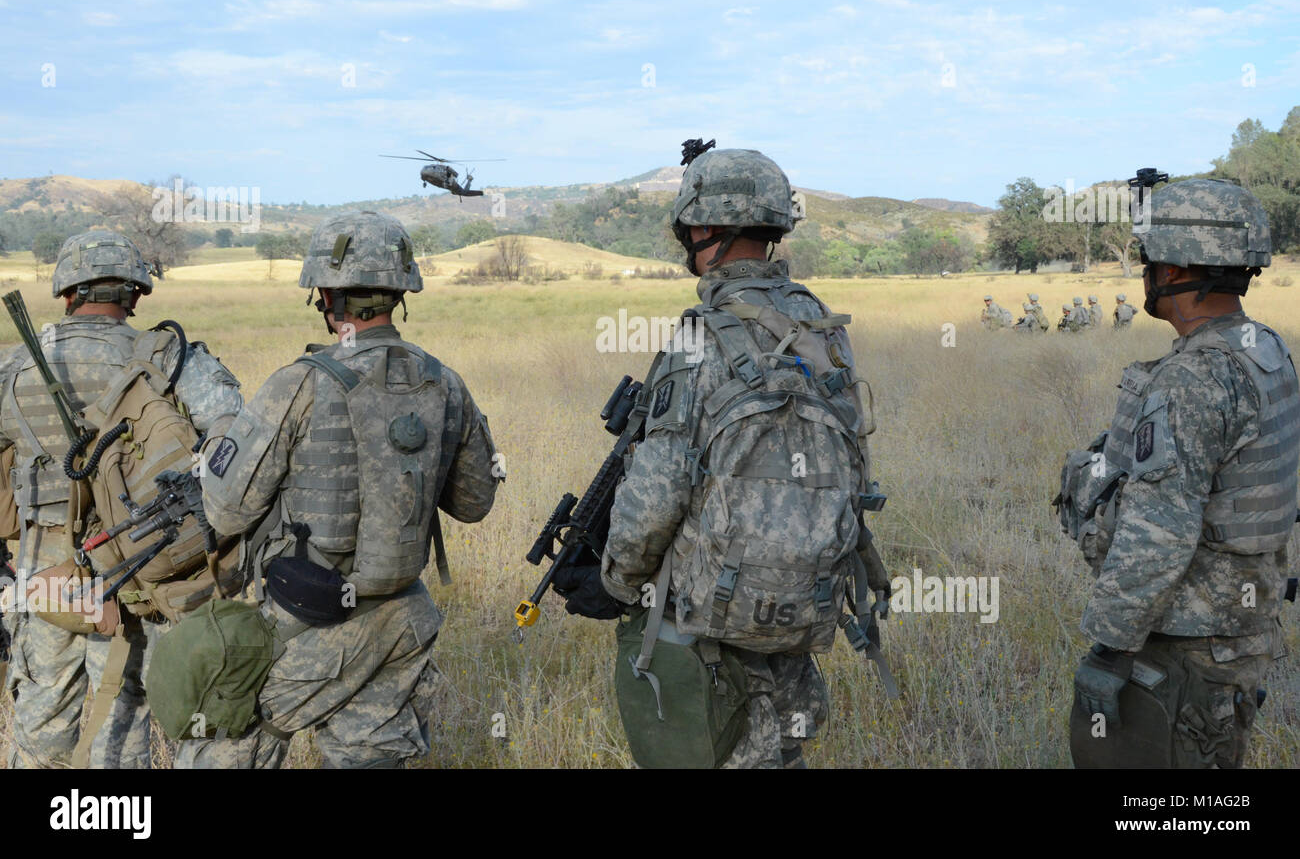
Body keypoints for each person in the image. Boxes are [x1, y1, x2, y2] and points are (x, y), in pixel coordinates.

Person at [554, 146, 892, 769]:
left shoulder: (698, 338)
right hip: (803, 604)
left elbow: (656, 496)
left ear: (705, 228)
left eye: (688, 229)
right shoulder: (822, 326)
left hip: (707, 629)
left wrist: (616, 580)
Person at [175, 210, 501, 769]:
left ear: (326, 295)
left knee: (219, 741)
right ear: (399, 292)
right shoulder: (446, 383)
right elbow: (475, 503)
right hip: (404, 615)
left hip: (312, 616)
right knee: (368, 754)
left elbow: (227, 513)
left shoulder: (298, 383)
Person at [1061, 178, 1298, 768]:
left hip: (1190, 640)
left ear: (1174, 272)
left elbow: (1159, 532)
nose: (1145, 276)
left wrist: (1109, 652)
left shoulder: (1194, 378)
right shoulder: (1263, 348)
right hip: (1241, 628)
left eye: (1150, 261)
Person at [0, 230, 243, 769]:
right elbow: (232, 439)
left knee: (42, 703)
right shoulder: (165, 356)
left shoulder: (15, 365)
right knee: (124, 701)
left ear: (67, 292)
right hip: (141, 554)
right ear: (134, 294)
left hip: (44, 562)